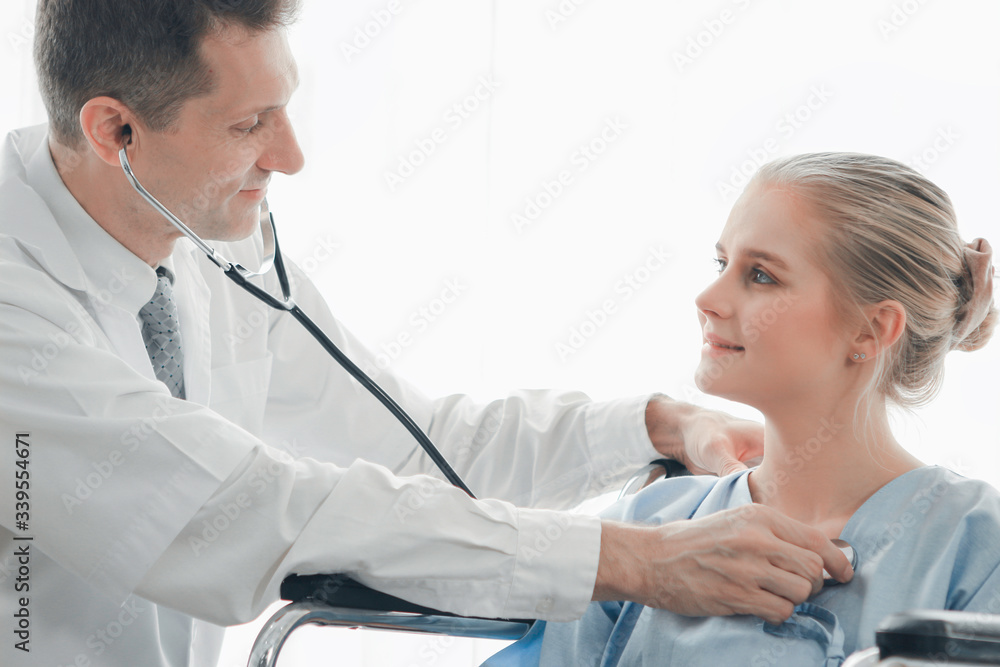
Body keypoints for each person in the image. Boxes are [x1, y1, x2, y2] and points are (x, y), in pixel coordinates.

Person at [0, 2, 852, 665]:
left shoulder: (200, 250)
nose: (291, 156)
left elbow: (418, 449)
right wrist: (635, 560)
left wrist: (653, 424)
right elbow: (254, 510)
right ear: (116, 131)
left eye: (283, 108)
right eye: (247, 125)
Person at [484, 151, 1000, 666]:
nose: (706, 297)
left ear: (871, 329)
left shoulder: (977, 544)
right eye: (721, 263)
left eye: (760, 276)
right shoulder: (648, 527)